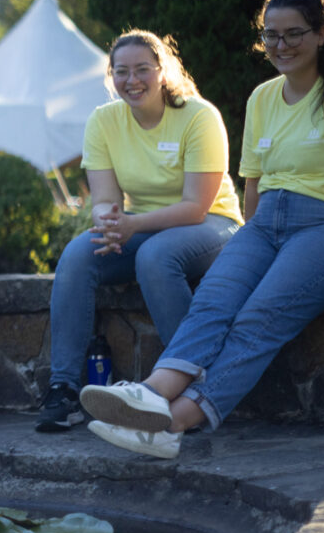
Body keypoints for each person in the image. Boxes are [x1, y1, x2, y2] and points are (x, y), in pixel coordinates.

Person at [82, 0, 324, 458]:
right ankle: (152, 394)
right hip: (266, 225)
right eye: (271, 36)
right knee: (215, 300)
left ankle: (171, 426)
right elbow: (255, 184)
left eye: (293, 34)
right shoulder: (263, 96)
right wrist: (251, 245)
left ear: (323, 33)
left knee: (259, 318)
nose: (280, 46)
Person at [36, 31, 242, 432]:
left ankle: (192, 383)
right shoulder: (104, 120)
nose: (132, 80)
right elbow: (105, 200)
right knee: (79, 256)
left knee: (156, 255)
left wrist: (131, 225)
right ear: (110, 76)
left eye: (142, 69)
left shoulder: (199, 116)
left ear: (162, 71)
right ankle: (63, 389)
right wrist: (109, 224)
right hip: (146, 226)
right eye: (121, 71)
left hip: (213, 226)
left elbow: (195, 206)